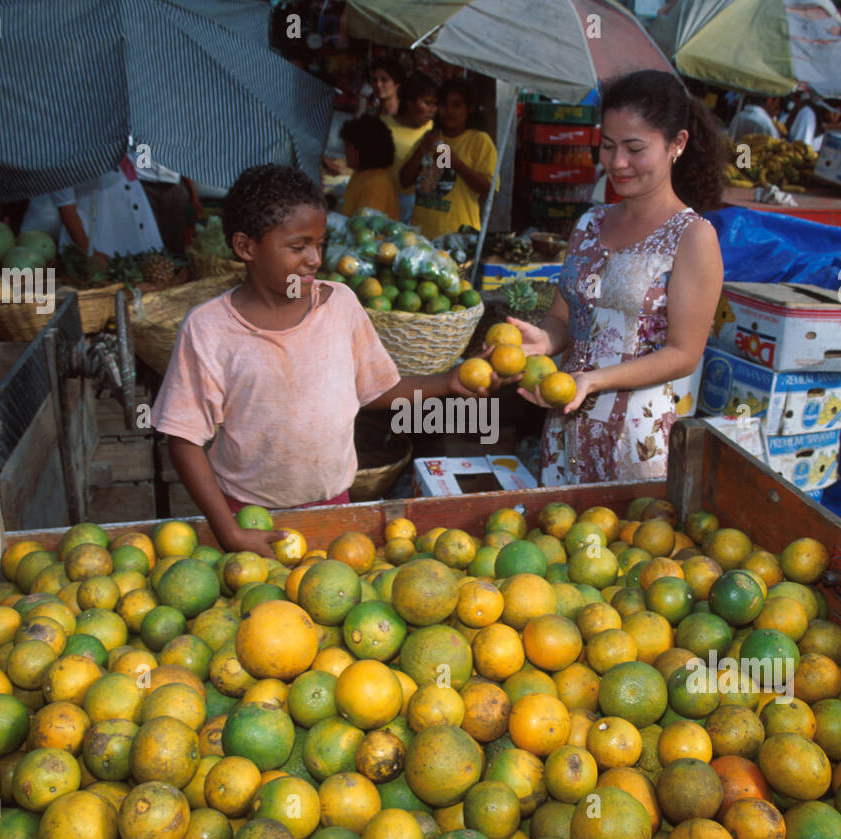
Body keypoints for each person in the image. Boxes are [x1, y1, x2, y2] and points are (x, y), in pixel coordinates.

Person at [151, 164, 479, 556]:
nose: (314, 259)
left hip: (333, 506)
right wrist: (230, 531)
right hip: (247, 516)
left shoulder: (339, 304)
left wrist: (446, 381)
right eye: (298, 246)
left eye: (320, 244)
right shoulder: (208, 329)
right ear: (246, 247)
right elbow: (183, 438)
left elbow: (376, 389)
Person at [501, 70, 725, 484]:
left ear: (677, 144)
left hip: (636, 439)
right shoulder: (589, 223)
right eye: (607, 146)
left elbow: (684, 353)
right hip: (566, 427)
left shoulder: (693, 237)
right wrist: (545, 339)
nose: (617, 162)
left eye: (634, 148)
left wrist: (593, 380)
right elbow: (565, 317)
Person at [21, 153, 162, 261]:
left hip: (142, 239)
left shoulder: (115, 138)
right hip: (106, 248)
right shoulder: (62, 155)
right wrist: (89, 253)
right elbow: (66, 209)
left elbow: (136, 171)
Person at [407, 77, 497, 239]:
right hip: (421, 235)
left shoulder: (480, 141)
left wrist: (457, 164)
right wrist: (420, 150)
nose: (448, 111)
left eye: (456, 105)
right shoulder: (430, 137)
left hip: (458, 237)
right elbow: (404, 180)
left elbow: (490, 191)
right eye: (443, 105)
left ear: (469, 109)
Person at [386, 72, 439, 222]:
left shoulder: (434, 132)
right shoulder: (384, 126)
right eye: (427, 103)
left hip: (416, 206)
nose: (432, 109)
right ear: (409, 101)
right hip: (382, 198)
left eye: (435, 104)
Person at [339, 116, 399, 218]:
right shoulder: (361, 174)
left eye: (348, 145)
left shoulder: (377, 184)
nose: (345, 151)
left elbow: (366, 228)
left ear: (362, 148)